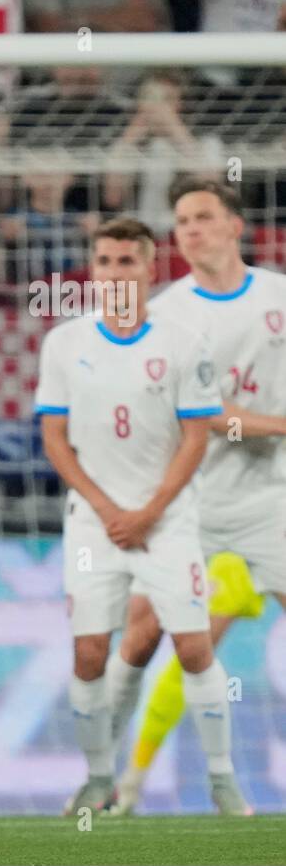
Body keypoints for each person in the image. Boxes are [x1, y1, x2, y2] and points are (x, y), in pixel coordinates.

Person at [33, 216, 246, 815]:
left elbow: (197, 437)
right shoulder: (65, 343)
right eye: (105, 261)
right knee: (88, 653)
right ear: (92, 270)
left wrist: (150, 511)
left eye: (128, 261)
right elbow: (54, 438)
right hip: (92, 523)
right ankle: (99, 777)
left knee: (194, 648)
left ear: (150, 268)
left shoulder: (182, 342)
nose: (115, 272)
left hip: (168, 521)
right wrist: (106, 509)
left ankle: (223, 779)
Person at [111, 180, 286, 815]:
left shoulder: (278, 297)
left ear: (236, 226)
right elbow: (208, 416)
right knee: (149, 634)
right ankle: (115, 776)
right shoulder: (167, 315)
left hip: (273, 500)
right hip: (195, 500)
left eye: (203, 217)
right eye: (180, 219)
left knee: (195, 644)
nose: (190, 229)